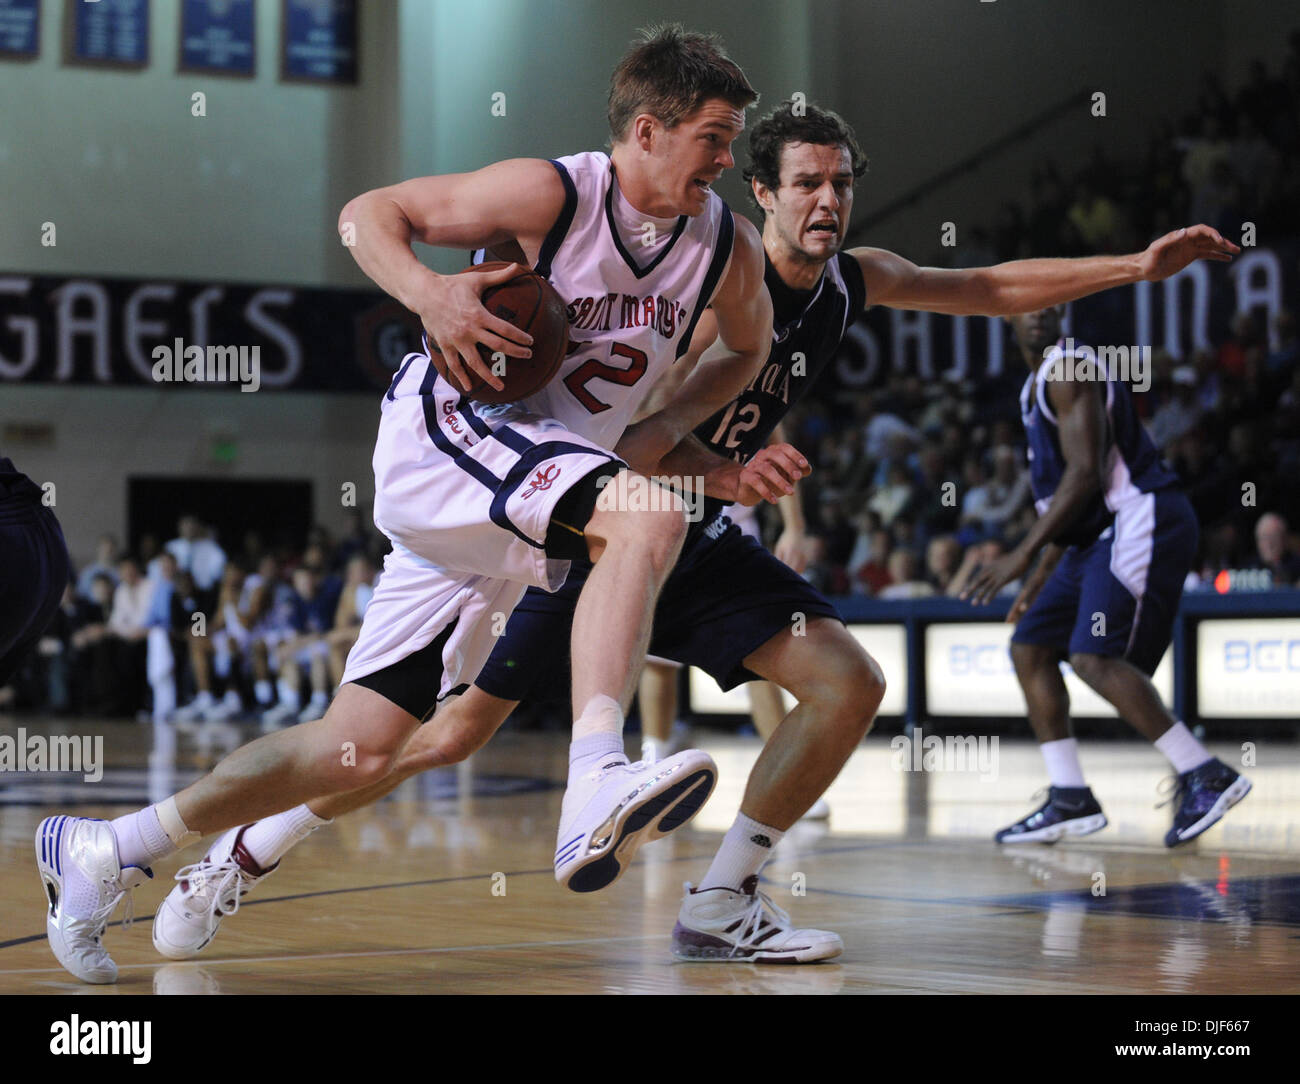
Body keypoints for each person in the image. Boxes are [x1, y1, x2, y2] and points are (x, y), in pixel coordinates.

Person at [168, 99, 1241, 965]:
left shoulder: (851, 284)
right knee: (441, 736)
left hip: (686, 528)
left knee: (846, 681)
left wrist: (1132, 271)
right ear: (760, 194)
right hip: (593, 520)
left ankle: (724, 898)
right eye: (806, 183)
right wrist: (716, 466)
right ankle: (243, 852)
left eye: (842, 182)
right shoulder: (709, 281)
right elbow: (626, 438)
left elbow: (986, 283)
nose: (828, 200)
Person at [40, 26, 790, 984]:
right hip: (455, 437)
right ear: (647, 131)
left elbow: (748, 348)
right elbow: (369, 211)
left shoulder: (721, 247)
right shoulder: (554, 193)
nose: (729, 160)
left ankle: (114, 847)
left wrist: (661, 426)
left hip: (531, 489)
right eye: (715, 138)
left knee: (359, 750)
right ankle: (596, 774)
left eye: (734, 141)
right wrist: (432, 296)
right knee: (648, 517)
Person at [964, 304, 1251, 847]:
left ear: (1066, 311)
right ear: (1006, 314)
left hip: (1139, 517)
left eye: (1052, 301)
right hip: (1092, 538)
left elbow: (1085, 475)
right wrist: (1037, 582)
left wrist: (1021, 554)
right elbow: (1067, 503)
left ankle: (1205, 774)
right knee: (1030, 648)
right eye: (1027, 301)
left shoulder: (1071, 369)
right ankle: (1070, 795)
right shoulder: (1034, 387)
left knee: (1096, 656)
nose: (1039, 312)